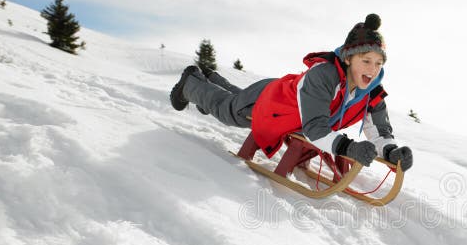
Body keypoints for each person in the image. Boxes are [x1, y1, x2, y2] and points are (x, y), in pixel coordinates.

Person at [169, 13, 413, 171]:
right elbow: (315, 129)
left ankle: (212, 79)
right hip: (271, 102)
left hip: (291, 109)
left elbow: (379, 130)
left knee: (234, 99)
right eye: (366, 60)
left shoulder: (372, 92)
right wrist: (348, 148)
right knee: (228, 110)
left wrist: (392, 152)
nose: (372, 69)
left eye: (378, 63)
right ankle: (191, 83)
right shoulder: (324, 76)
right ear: (349, 59)